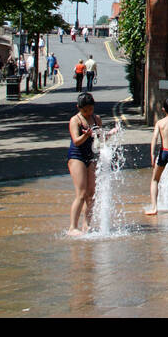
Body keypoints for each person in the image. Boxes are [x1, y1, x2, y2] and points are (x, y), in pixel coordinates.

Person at [66, 92, 103, 235]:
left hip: (90, 156)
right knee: (81, 193)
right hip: (77, 156)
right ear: (79, 108)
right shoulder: (75, 120)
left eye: (90, 109)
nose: (88, 112)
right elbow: (76, 140)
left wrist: (110, 134)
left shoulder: (96, 118)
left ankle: (87, 225)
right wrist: (86, 135)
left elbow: (100, 138)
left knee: (91, 193)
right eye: (85, 110)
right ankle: (72, 227)